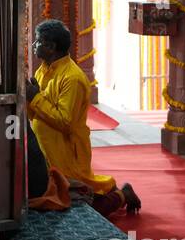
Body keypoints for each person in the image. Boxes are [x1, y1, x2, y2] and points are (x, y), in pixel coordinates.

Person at [25, 19, 141, 217]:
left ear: (51, 47)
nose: (34, 45)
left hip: (68, 152)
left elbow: (65, 121)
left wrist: (35, 98)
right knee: (52, 199)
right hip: (46, 148)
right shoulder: (42, 70)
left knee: (81, 208)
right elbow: (37, 112)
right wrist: (27, 100)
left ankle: (122, 195)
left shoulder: (73, 78)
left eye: (38, 42)